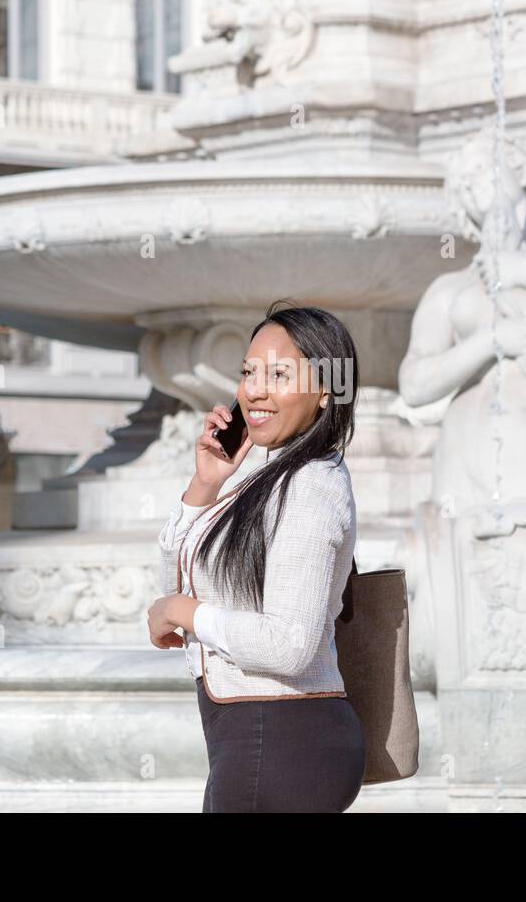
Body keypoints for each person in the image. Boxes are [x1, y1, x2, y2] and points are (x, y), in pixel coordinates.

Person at [146, 302, 366, 812]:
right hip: (259, 737)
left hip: (283, 739)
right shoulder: (270, 476)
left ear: (326, 392)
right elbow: (182, 581)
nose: (254, 390)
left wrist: (184, 613)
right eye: (249, 371)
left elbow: (291, 645)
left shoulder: (311, 485)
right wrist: (204, 484)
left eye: (279, 374)